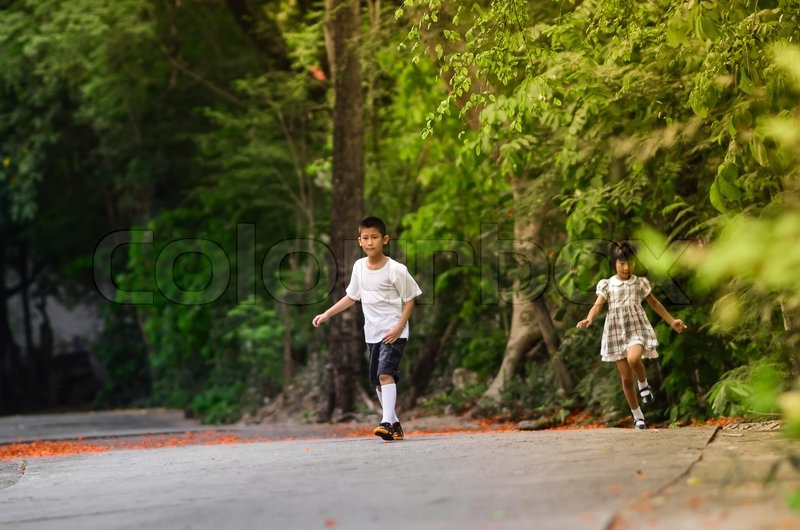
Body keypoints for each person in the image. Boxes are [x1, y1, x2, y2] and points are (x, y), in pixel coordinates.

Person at [312, 216, 422, 441]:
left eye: (374, 237)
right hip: (372, 333)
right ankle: (395, 424)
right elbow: (351, 297)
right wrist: (327, 314)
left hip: (394, 332)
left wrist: (399, 328)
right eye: (365, 238)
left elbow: (410, 298)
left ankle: (386, 423)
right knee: (378, 383)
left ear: (385, 240)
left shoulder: (396, 270)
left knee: (385, 375)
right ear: (359, 241)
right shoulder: (359, 267)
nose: (370, 242)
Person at [576, 241, 687, 429]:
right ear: (614, 263)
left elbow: (654, 304)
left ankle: (644, 385)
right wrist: (589, 319)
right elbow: (597, 305)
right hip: (616, 332)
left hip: (637, 328)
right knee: (626, 379)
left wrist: (671, 321)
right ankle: (638, 416)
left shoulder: (640, 282)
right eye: (622, 263)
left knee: (634, 359)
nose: (627, 267)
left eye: (630, 263)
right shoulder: (607, 285)